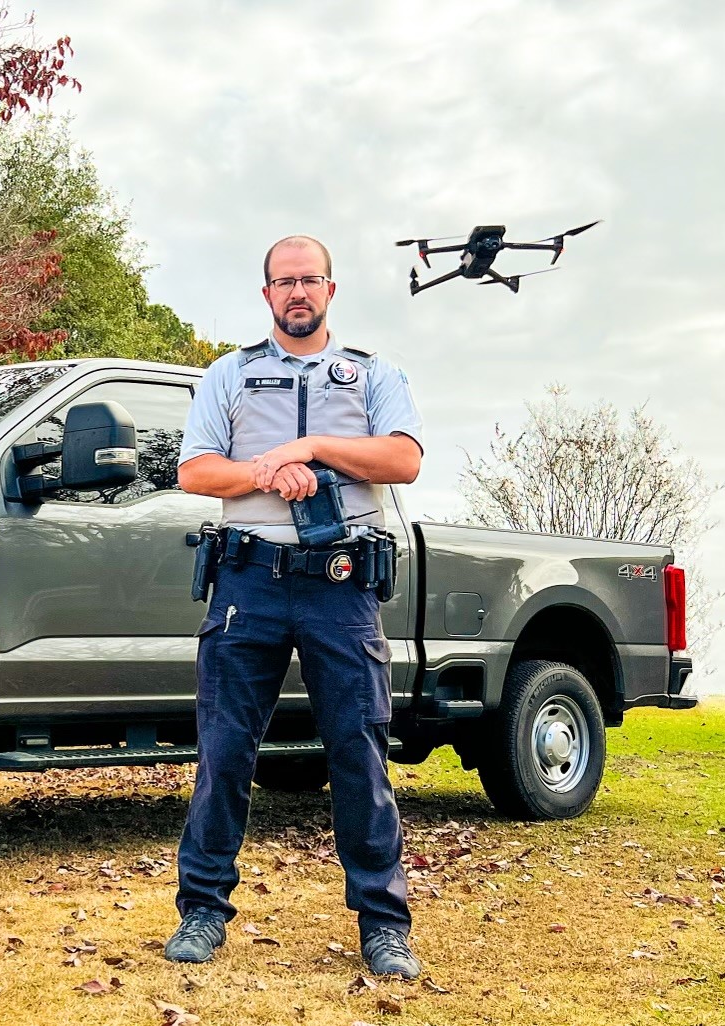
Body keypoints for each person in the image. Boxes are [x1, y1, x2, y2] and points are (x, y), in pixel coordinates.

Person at [162, 235, 425, 979]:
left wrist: (313, 445)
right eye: (285, 282)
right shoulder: (230, 374)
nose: (298, 293)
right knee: (223, 753)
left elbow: (402, 458)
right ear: (267, 294)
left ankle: (384, 925)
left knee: (358, 752)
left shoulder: (373, 375)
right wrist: (267, 470)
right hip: (248, 582)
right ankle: (203, 912)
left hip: (340, 584)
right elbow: (195, 470)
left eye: (310, 280)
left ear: (331, 291)